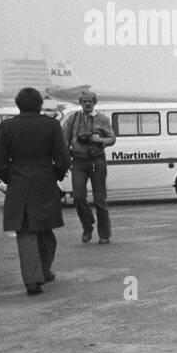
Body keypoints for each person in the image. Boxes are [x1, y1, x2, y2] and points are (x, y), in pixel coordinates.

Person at [0, 88, 71, 295]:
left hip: (19, 184)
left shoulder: (6, 126)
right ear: (39, 104)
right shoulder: (51, 125)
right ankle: (44, 270)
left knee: (25, 232)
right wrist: (55, 175)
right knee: (46, 231)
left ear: (18, 104)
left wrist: (12, 177)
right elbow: (63, 159)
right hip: (45, 182)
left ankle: (33, 279)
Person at [63, 90, 115, 244]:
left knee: (100, 199)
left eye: (90, 101)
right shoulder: (73, 119)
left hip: (96, 161)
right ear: (80, 103)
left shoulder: (102, 119)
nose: (87, 104)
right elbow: (64, 142)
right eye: (84, 101)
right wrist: (68, 162)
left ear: (94, 103)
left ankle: (104, 234)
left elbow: (112, 138)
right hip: (79, 162)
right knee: (78, 197)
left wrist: (100, 140)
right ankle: (87, 225)